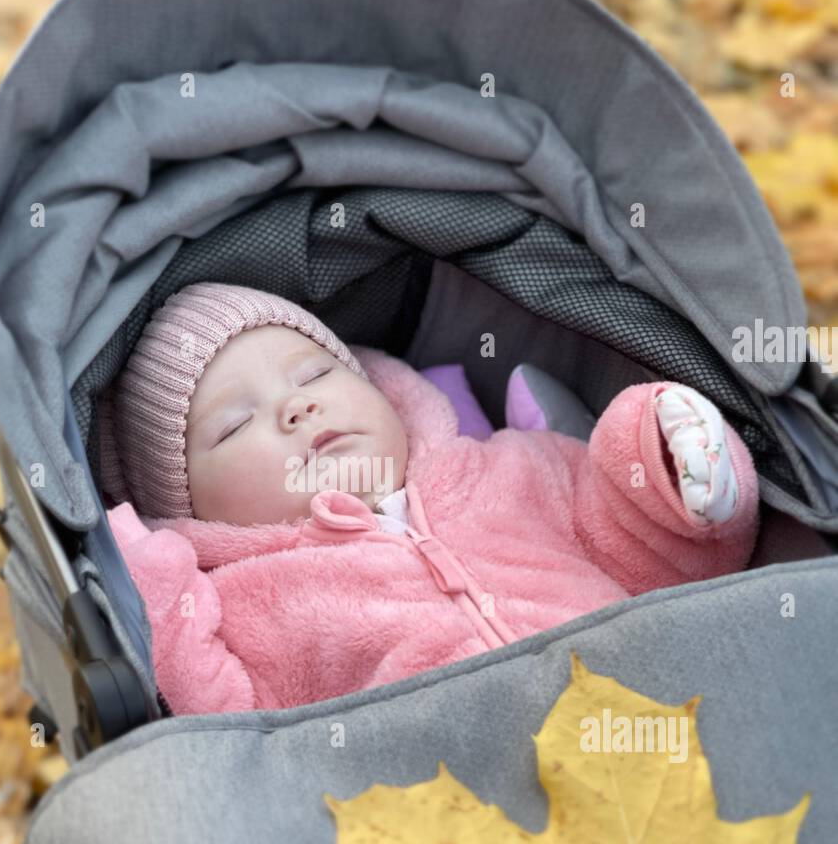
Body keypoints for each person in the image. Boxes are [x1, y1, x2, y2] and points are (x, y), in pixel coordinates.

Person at [103, 283, 758, 715]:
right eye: (236, 424)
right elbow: (229, 735)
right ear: (191, 509)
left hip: (669, 706)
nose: (297, 407)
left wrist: (669, 470)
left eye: (315, 374)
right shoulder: (249, 604)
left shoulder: (508, 469)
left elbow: (656, 559)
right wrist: (147, 580)